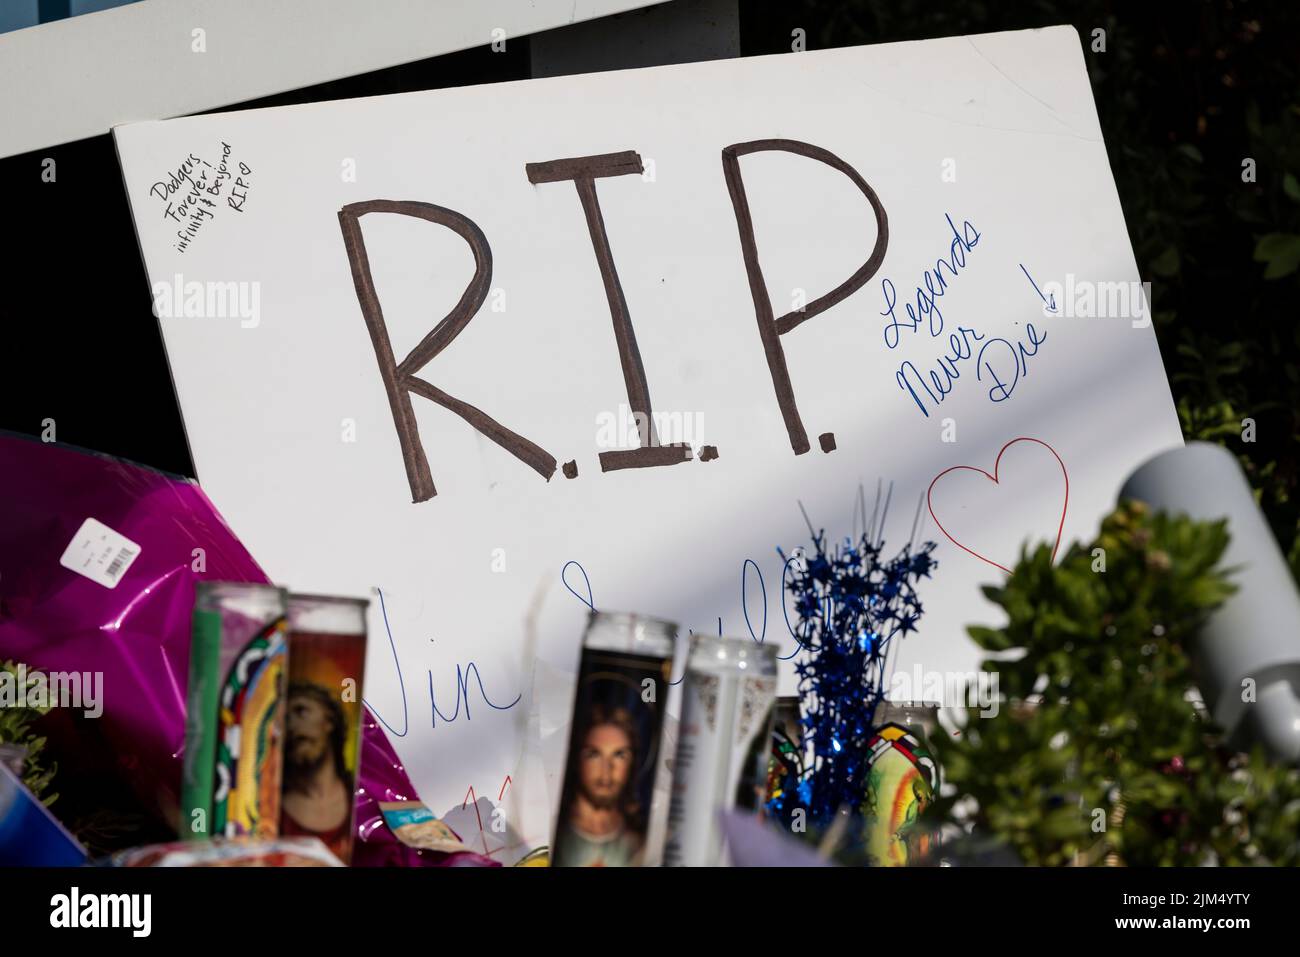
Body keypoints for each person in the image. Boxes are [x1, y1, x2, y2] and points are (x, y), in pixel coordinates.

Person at [557, 703, 645, 867]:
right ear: (576, 760)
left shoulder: (640, 841)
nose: (606, 771)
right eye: (594, 754)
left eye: (620, 755)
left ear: (632, 764)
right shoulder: (549, 828)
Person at [280, 682, 353, 860]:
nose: (292, 726)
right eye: (285, 718)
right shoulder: (269, 802)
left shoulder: (359, 796)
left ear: (329, 721)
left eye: (301, 711)